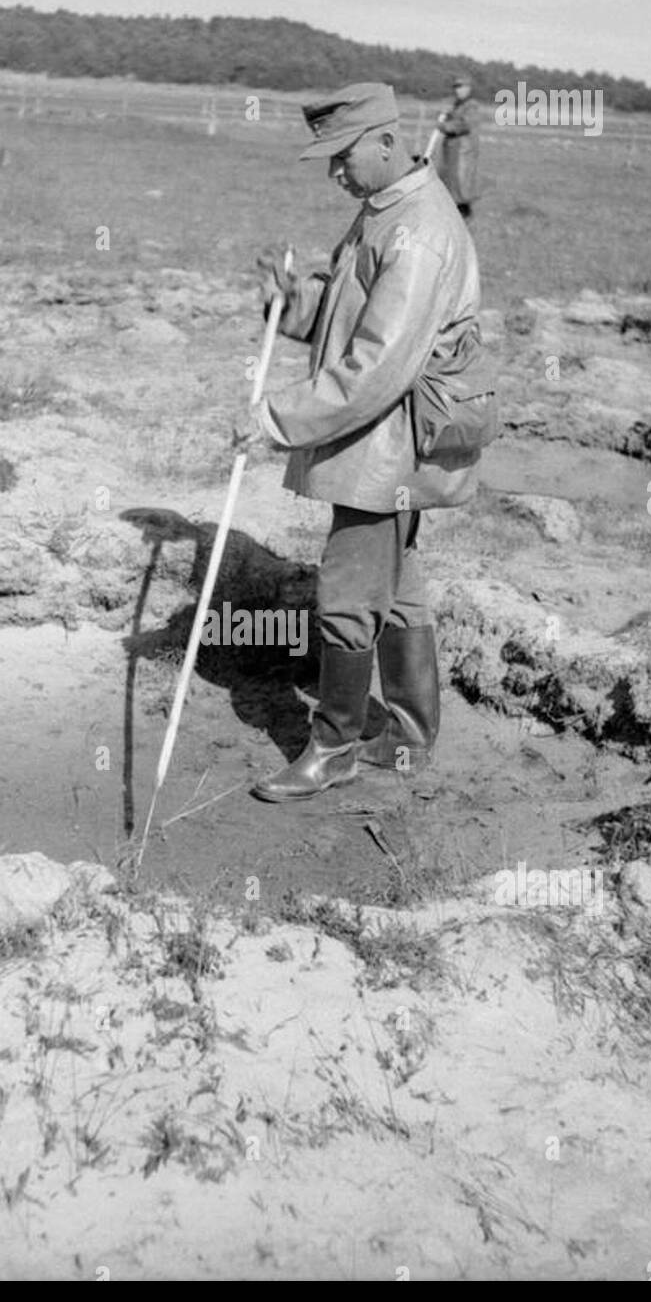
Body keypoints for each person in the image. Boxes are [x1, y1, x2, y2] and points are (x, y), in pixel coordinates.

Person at [243, 82, 495, 803]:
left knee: (349, 592)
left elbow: (378, 365)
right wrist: (293, 304)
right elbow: (352, 316)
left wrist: (273, 419)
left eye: (343, 156)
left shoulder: (417, 231)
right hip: (383, 435)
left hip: (388, 440)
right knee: (398, 583)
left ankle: (334, 748)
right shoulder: (385, 209)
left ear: (387, 141)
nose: (335, 174)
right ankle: (410, 736)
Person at [434, 77, 481, 222]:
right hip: (452, 152)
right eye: (456, 87)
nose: (458, 90)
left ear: (468, 88)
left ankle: (464, 218)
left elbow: (464, 125)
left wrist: (445, 126)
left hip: (463, 153)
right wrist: (446, 115)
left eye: (461, 87)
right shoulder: (457, 105)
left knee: (460, 188)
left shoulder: (471, 106)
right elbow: (453, 118)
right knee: (450, 186)